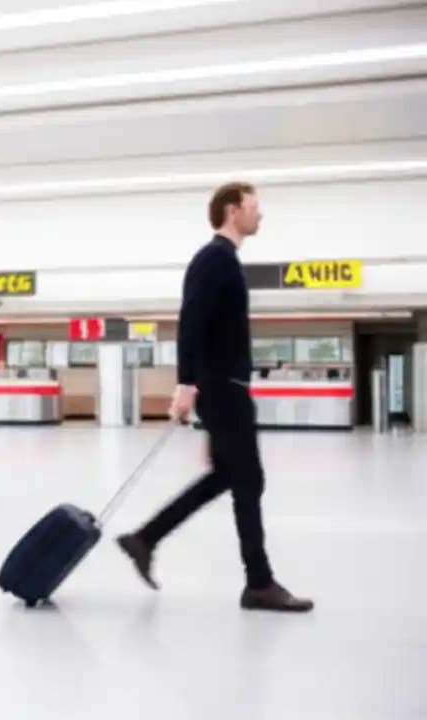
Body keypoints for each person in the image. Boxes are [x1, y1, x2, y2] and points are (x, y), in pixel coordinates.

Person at [115, 182, 314, 613]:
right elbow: (191, 323)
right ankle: (258, 583)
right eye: (254, 207)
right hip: (223, 389)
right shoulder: (214, 259)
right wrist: (188, 385)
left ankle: (144, 538)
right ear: (231, 211)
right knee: (248, 480)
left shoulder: (226, 261)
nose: (260, 215)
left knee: (230, 476)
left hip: (226, 392)